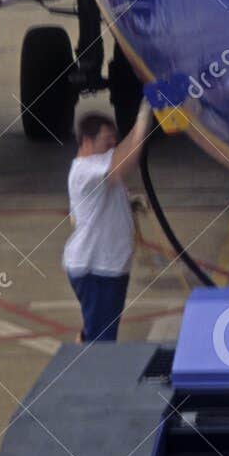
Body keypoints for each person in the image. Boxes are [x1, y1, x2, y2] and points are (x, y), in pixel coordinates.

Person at [64, 102, 153, 343]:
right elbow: (128, 160)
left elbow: (121, 154)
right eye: (106, 141)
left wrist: (127, 203)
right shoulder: (87, 169)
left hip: (108, 265)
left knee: (98, 329)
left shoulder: (95, 166)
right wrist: (145, 115)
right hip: (98, 268)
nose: (111, 146)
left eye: (113, 140)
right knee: (102, 341)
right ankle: (91, 376)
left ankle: (85, 345)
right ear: (86, 142)